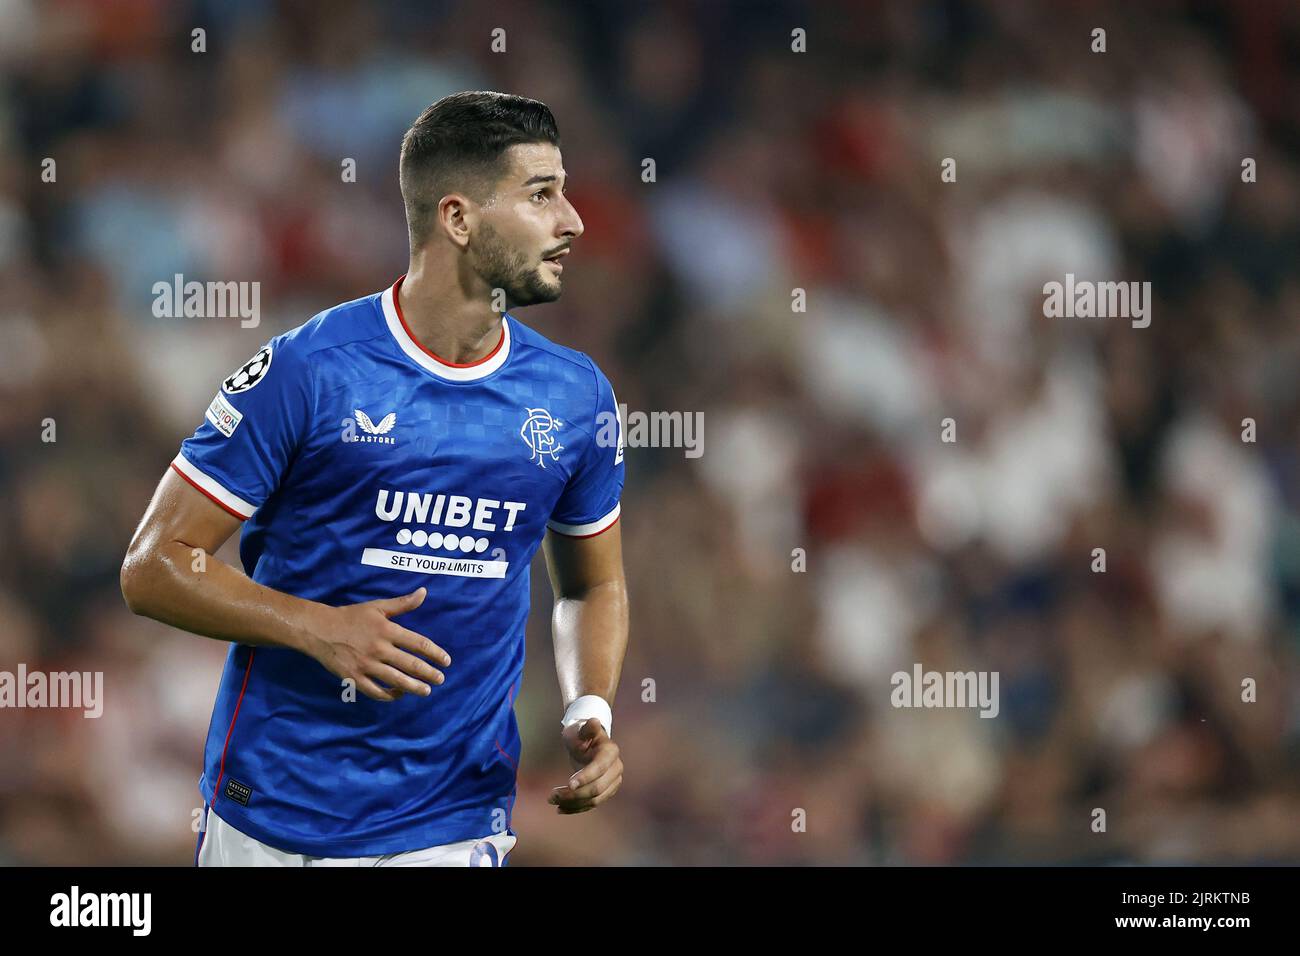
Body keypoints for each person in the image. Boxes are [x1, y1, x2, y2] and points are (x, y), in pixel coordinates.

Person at [120, 91, 628, 867]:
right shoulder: (310, 372)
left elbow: (591, 587)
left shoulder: (575, 396)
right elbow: (153, 567)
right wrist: (316, 626)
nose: (572, 220)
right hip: (271, 807)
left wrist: (587, 706)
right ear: (458, 220)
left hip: (449, 821)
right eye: (540, 194)